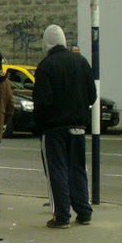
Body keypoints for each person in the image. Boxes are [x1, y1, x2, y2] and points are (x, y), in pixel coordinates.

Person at [33, 24, 96, 229]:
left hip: (54, 128)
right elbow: (92, 95)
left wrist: (40, 124)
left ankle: (62, 216)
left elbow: (42, 101)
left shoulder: (45, 66)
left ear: (47, 44)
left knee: (57, 170)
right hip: (78, 125)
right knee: (78, 168)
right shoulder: (81, 62)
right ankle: (84, 212)